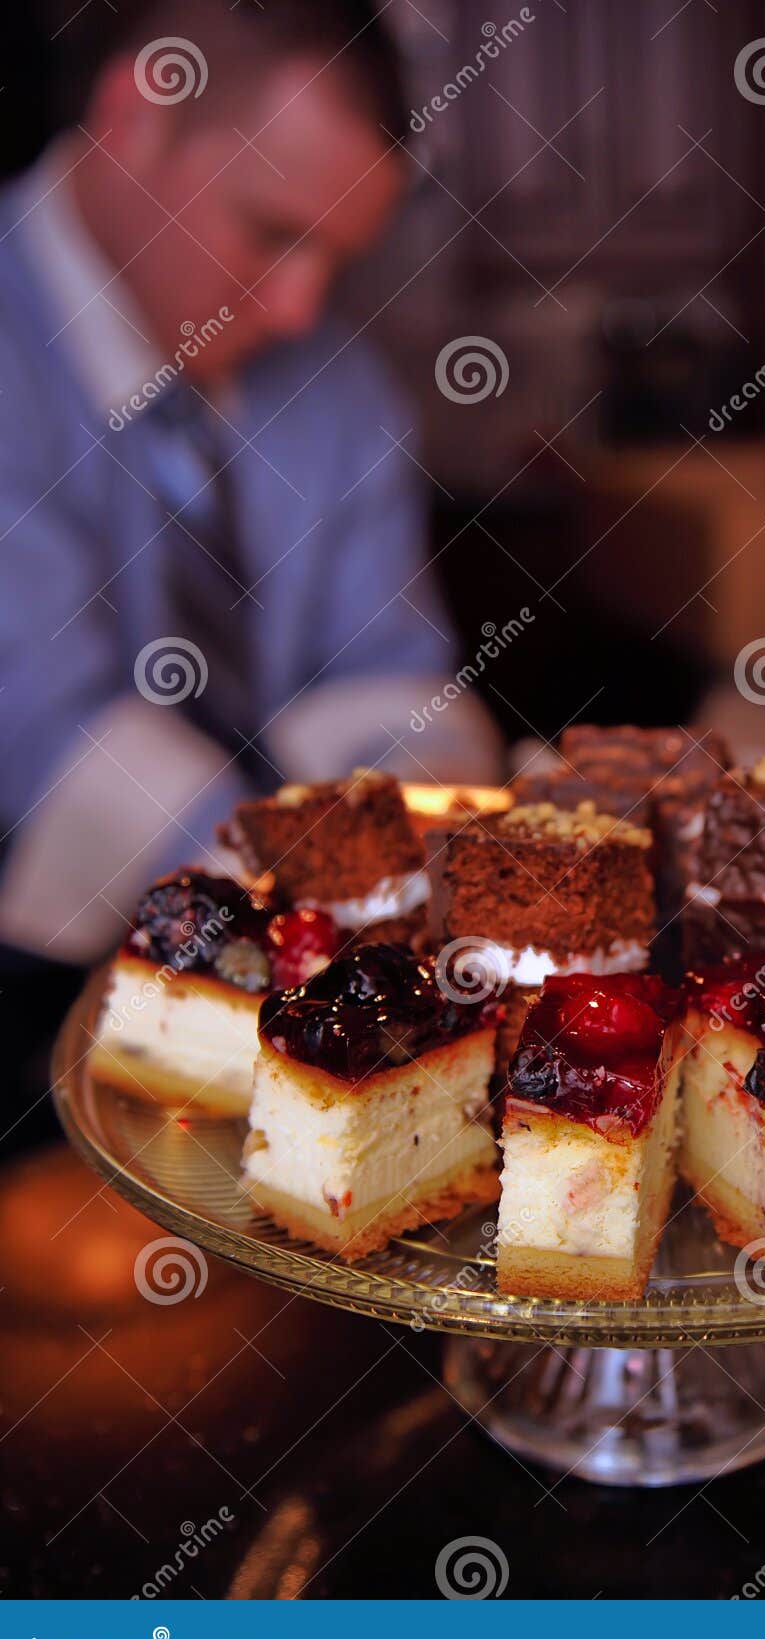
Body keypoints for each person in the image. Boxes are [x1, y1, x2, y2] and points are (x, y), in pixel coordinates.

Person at [0, 0, 501, 969]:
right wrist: (322, 906)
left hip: (301, 973)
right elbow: (40, 728)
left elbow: (384, 680)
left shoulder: (340, 389)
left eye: (333, 259)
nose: (297, 306)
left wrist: (403, 834)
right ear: (139, 110)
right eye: (271, 234)